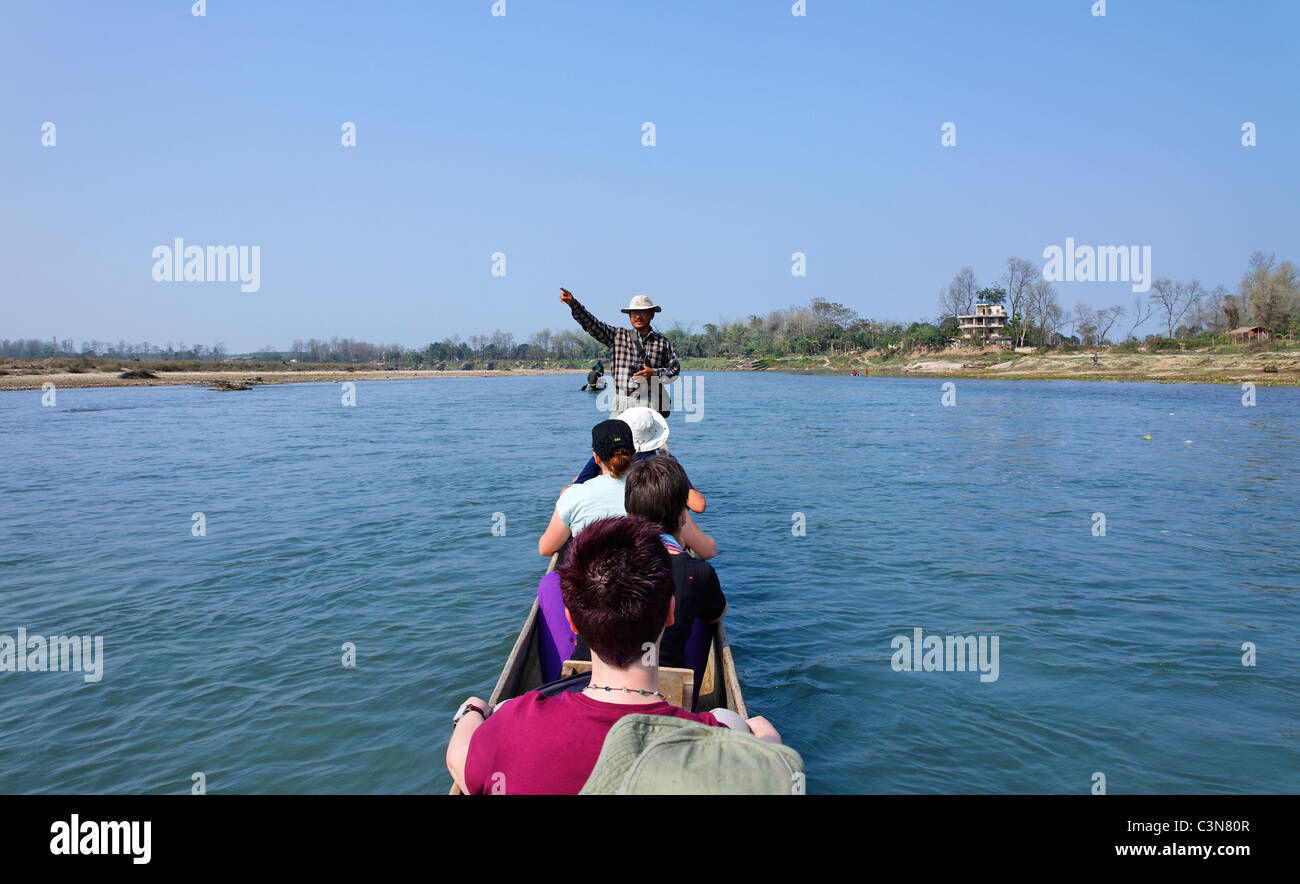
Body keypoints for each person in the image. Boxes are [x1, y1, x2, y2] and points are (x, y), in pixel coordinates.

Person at [446, 516, 780, 795]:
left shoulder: (513, 723)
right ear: (670, 612)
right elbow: (773, 766)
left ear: (572, 621)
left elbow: (458, 760)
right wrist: (761, 727)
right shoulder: (717, 734)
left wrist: (473, 707)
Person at [623, 456, 725, 683]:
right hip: (664, 689)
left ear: (629, 514)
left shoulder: (599, 560)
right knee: (705, 610)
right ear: (682, 517)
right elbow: (718, 613)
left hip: (593, 682)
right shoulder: (698, 572)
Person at [559, 288, 680, 418]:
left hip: (650, 402)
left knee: (651, 438)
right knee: (615, 437)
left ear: (651, 315)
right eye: (634, 313)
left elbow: (674, 371)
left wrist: (653, 373)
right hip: (622, 402)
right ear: (629, 316)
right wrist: (573, 304)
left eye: (642, 312)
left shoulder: (662, 343)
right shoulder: (617, 336)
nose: (637, 316)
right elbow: (592, 324)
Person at [571, 406, 707, 514]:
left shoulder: (607, 456)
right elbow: (698, 505)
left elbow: (570, 492)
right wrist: (687, 488)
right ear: (655, 432)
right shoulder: (666, 460)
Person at [538, 419, 633, 557]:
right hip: (635, 573)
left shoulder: (575, 494)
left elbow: (545, 549)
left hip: (590, 573)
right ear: (632, 456)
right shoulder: (645, 492)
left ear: (595, 458)